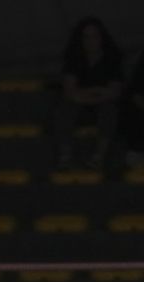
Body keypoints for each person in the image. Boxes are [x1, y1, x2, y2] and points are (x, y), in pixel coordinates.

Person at [54, 16, 126, 170]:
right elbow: (69, 91)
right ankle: (65, 157)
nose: (90, 41)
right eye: (86, 37)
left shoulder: (112, 58)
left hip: (100, 104)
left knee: (109, 110)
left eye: (94, 36)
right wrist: (96, 92)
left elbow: (115, 92)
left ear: (101, 38)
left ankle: (98, 157)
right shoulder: (74, 58)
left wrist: (83, 94)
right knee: (64, 108)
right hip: (81, 105)